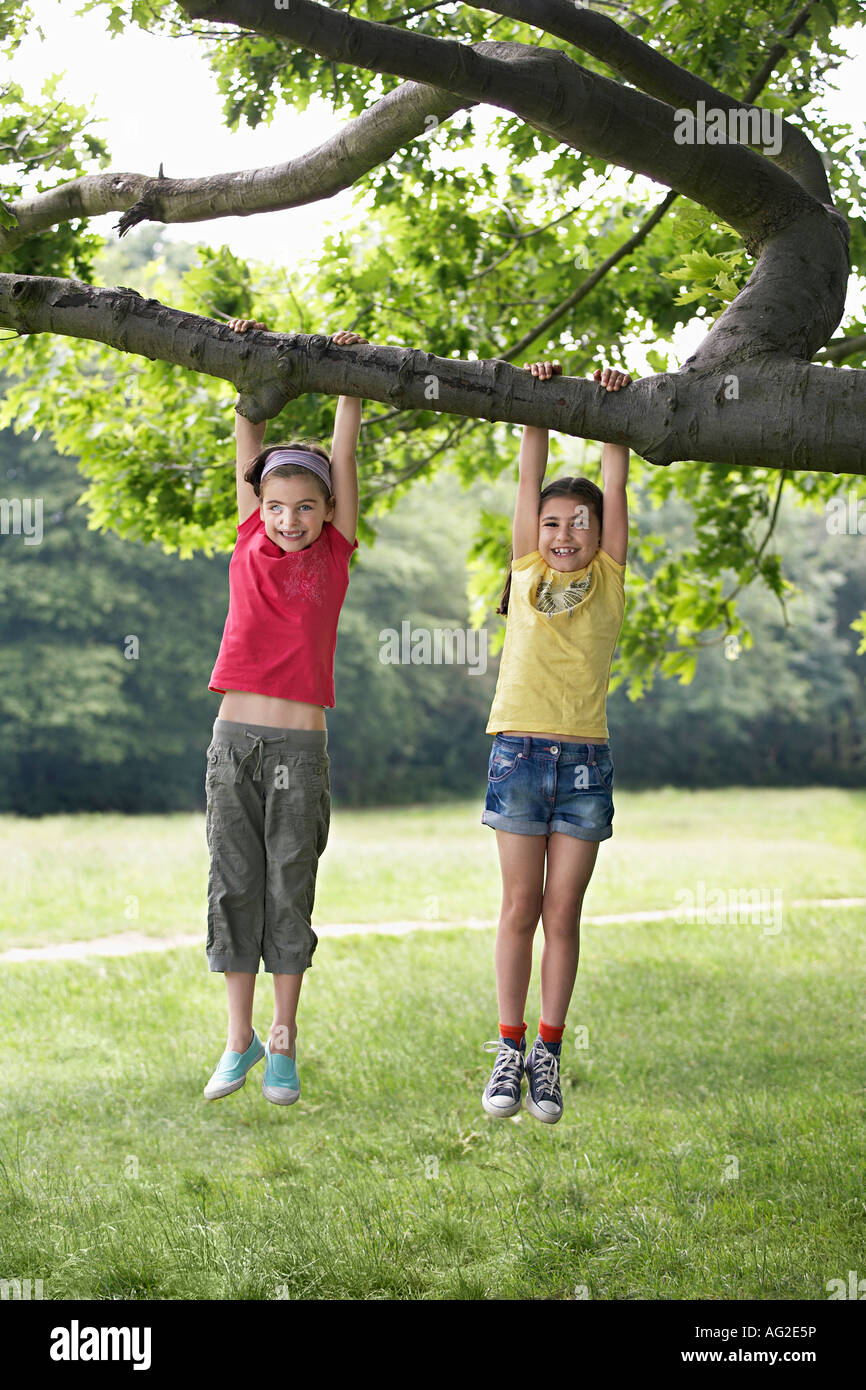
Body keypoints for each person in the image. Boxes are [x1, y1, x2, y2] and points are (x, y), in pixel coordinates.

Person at [202, 318, 365, 1107]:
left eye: (307, 506)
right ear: (258, 506)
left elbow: (345, 453)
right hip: (232, 742)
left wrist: (343, 379)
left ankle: (286, 1038)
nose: (290, 518)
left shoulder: (335, 553)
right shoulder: (245, 543)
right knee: (234, 884)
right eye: (277, 505)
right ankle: (239, 1037)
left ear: (327, 512)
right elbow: (249, 422)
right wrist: (249, 356)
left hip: (299, 752)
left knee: (287, 886)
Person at [481, 359, 631, 1124]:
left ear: (602, 534)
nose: (564, 533)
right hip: (517, 754)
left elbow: (617, 475)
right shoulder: (525, 569)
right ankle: (507, 1049)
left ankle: (548, 1053)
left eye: (579, 522)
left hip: (583, 763)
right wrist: (536, 404)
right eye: (552, 522)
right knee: (518, 908)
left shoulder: (609, 578)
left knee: (561, 914)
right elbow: (527, 474)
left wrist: (610, 413)